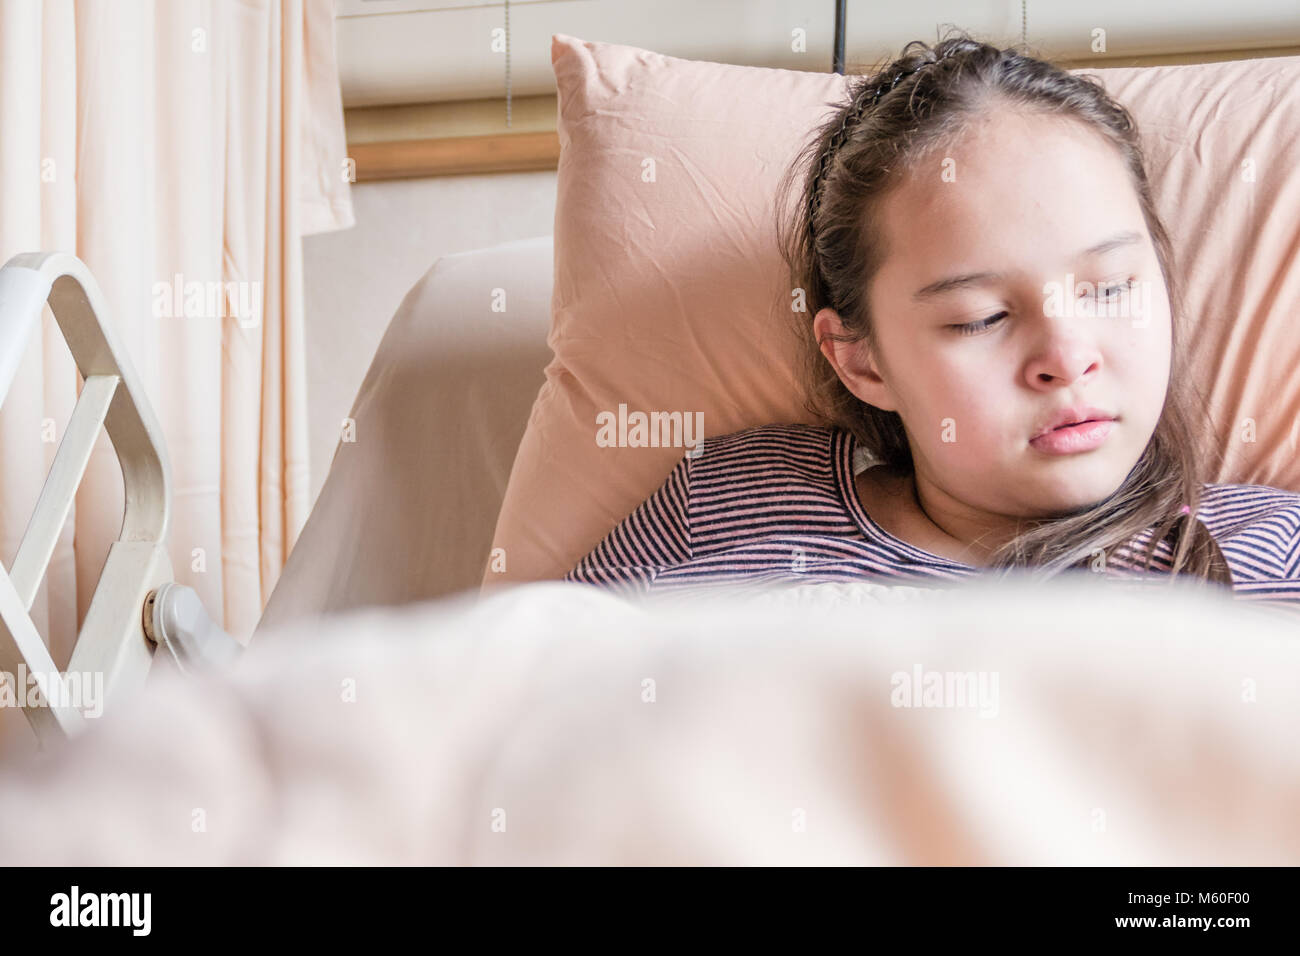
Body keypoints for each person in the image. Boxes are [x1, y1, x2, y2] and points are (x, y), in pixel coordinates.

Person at [564, 32, 1300, 608]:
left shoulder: (1271, 553)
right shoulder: (732, 503)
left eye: (1109, 289)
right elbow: (520, 718)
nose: (1066, 355)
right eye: (982, 318)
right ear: (863, 360)